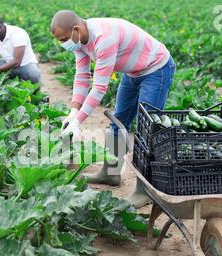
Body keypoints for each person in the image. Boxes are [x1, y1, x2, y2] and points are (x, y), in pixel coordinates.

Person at [51, 10, 176, 208]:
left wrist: (78, 122)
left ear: (76, 29)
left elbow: (99, 88)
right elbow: (82, 77)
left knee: (147, 129)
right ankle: (111, 173)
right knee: (118, 120)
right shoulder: (79, 41)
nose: (63, 43)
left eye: (64, 39)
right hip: (132, 72)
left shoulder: (103, 38)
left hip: (156, 69)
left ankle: (144, 191)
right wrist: (74, 111)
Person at [0, 14, 41, 84]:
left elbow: (16, 62)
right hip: (8, 63)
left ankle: (28, 81)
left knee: (33, 75)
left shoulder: (18, 33)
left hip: (25, 64)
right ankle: (11, 80)